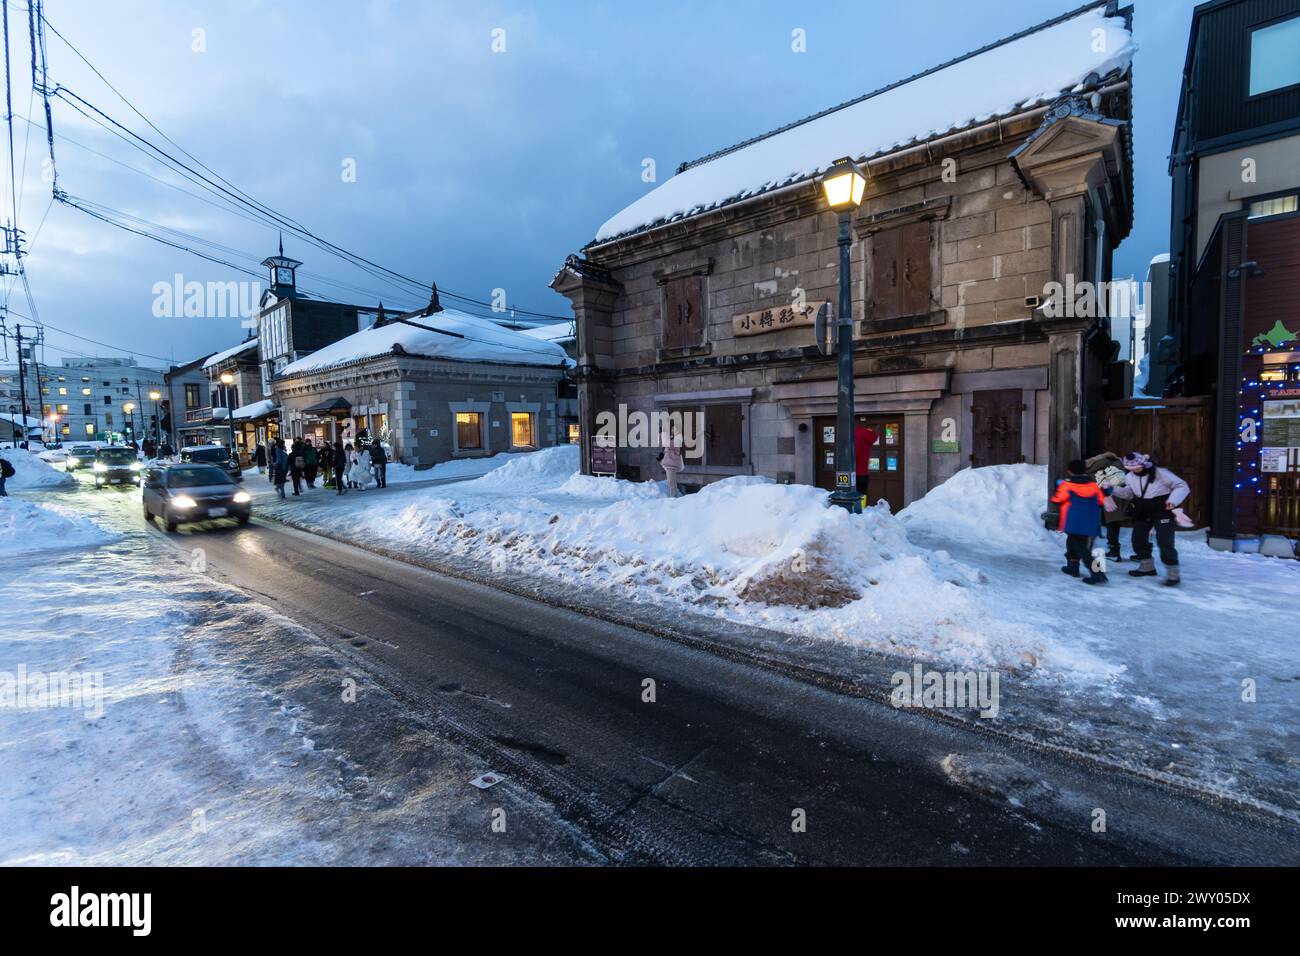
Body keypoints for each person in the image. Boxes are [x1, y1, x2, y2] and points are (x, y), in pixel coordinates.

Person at [1105, 451, 1190, 586]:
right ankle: (1147, 567)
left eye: (1136, 468)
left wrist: (1173, 501)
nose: (1134, 471)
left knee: (1165, 541)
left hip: (1163, 509)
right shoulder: (1130, 476)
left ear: (1144, 464)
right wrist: (1113, 490)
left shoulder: (1161, 473)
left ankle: (1173, 574)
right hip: (1142, 510)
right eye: (1130, 469)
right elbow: (1129, 493)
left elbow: (1182, 486)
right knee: (1137, 540)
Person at [1050, 458, 1108, 585]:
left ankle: (1097, 573)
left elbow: (1056, 499)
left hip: (1073, 522)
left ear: (1069, 471)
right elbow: (1100, 501)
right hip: (1090, 522)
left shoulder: (1067, 485)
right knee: (1072, 543)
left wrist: (1058, 487)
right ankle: (1073, 568)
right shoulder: (1094, 486)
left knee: (1082, 549)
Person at [854, 422, 879, 508]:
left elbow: (855, 455)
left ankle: (854, 512)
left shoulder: (854, 435)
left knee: (852, 494)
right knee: (862, 493)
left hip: (853, 472)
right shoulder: (868, 437)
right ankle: (861, 509)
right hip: (864, 472)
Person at [660, 425, 683, 497]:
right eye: (672, 429)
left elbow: (668, 444)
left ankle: (673, 497)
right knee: (670, 481)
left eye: (674, 429)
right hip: (668, 462)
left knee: (671, 481)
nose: (672, 431)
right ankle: (673, 496)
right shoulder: (672, 438)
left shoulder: (678, 438)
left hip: (672, 463)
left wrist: (663, 434)